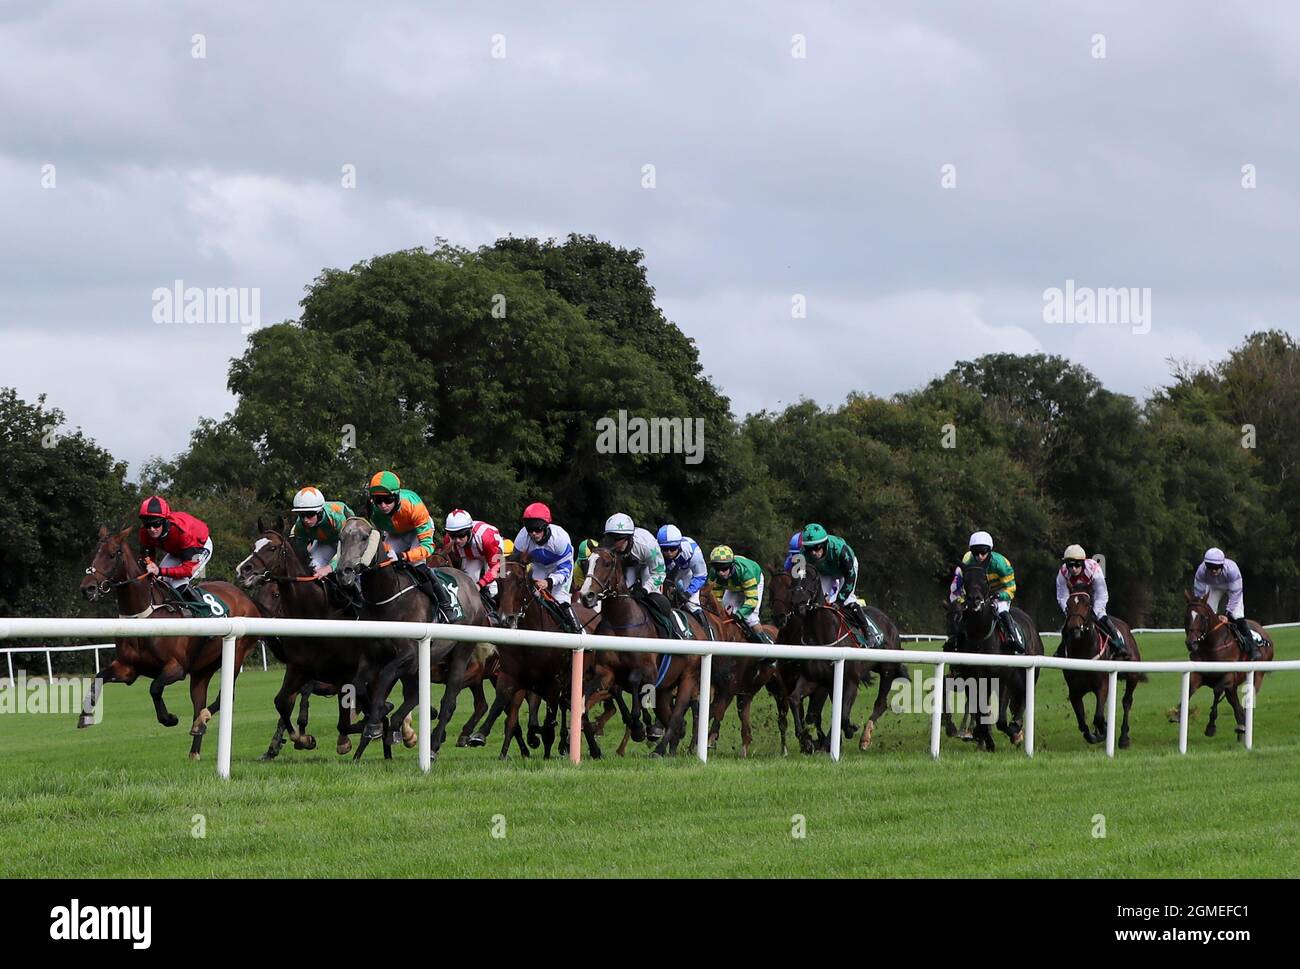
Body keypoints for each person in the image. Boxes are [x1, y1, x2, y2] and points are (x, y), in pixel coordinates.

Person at [366, 470, 457, 620]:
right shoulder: (374, 511)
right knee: (382, 562)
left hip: (417, 531)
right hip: (395, 532)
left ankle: (445, 605)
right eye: (378, 500)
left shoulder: (415, 506)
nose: (382, 505)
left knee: (418, 565)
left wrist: (404, 556)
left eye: (388, 500)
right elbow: (378, 538)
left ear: (396, 496)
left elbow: (428, 548)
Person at [799, 523, 880, 645]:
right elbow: (798, 575)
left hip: (846, 570)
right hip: (825, 571)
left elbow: (850, 578)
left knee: (847, 600)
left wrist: (840, 600)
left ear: (825, 544)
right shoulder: (803, 553)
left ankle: (868, 631)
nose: (813, 553)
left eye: (817, 548)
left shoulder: (841, 550)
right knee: (818, 601)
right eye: (809, 549)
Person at [512, 502, 583, 634]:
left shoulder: (561, 539)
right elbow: (515, 564)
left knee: (560, 599)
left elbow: (565, 569)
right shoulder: (522, 538)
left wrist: (549, 581)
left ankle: (578, 632)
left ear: (546, 527)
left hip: (560, 568)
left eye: (537, 529)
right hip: (539, 566)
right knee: (531, 596)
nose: (533, 533)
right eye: (529, 529)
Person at [948, 530, 1021, 653]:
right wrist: (961, 602)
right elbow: (955, 589)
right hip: (973, 594)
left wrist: (999, 595)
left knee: (1002, 610)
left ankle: (1013, 639)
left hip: (998, 593)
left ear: (989, 551)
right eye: (976, 552)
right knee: (959, 614)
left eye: (983, 552)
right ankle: (953, 641)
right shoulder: (966, 561)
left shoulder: (1001, 564)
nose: (980, 556)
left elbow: (1011, 588)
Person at [136, 495, 213, 606]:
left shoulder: (182, 533)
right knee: (161, 581)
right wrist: (149, 564)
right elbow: (147, 554)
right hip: (177, 551)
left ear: (164, 520)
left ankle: (204, 612)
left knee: (177, 582)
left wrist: (160, 571)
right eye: (148, 524)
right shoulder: (144, 531)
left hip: (199, 547)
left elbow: (188, 570)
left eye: (156, 524)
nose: (152, 529)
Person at [1055, 544, 1127, 658]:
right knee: (1068, 625)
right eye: (1070, 565)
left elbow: (1102, 595)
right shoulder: (1062, 573)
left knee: (1101, 617)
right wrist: (1070, 612)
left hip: (1094, 599)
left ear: (1083, 563)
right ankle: (1061, 649)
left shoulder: (1094, 569)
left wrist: (1094, 611)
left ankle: (1118, 644)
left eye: (1077, 564)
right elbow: (1062, 597)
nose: (1073, 569)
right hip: (1076, 604)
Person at [1193, 547, 1259, 660]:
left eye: (1216, 568)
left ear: (1222, 565)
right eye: (1210, 567)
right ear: (1205, 566)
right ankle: (1200, 648)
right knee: (1206, 616)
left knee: (1237, 616)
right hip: (1213, 587)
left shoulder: (1232, 571)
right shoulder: (1201, 571)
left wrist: (1227, 615)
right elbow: (1199, 595)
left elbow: (1235, 595)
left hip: (1232, 588)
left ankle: (1252, 649)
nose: (1213, 571)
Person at [708, 545, 773, 645]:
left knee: (750, 618)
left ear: (731, 565)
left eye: (724, 568)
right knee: (727, 610)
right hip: (734, 586)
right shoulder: (714, 574)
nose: (720, 573)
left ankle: (767, 646)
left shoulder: (745, 572)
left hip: (754, 580)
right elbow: (716, 598)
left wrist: (740, 614)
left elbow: (752, 600)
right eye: (717, 569)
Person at [288, 486, 353, 578]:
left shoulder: (336, 516)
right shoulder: (300, 525)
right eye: (302, 515)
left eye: (310, 514)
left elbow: (349, 548)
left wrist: (330, 568)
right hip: (325, 542)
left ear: (319, 512)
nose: (306, 520)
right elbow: (302, 553)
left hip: (349, 541)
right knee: (313, 568)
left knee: (343, 571)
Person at [657, 524, 711, 635]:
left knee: (692, 604)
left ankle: (707, 635)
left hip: (687, 572)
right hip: (665, 573)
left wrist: (688, 593)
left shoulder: (693, 552)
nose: (668, 553)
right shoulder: (655, 550)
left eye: (672, 548)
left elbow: (701, 576)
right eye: (664, 549)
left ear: (679, 545)